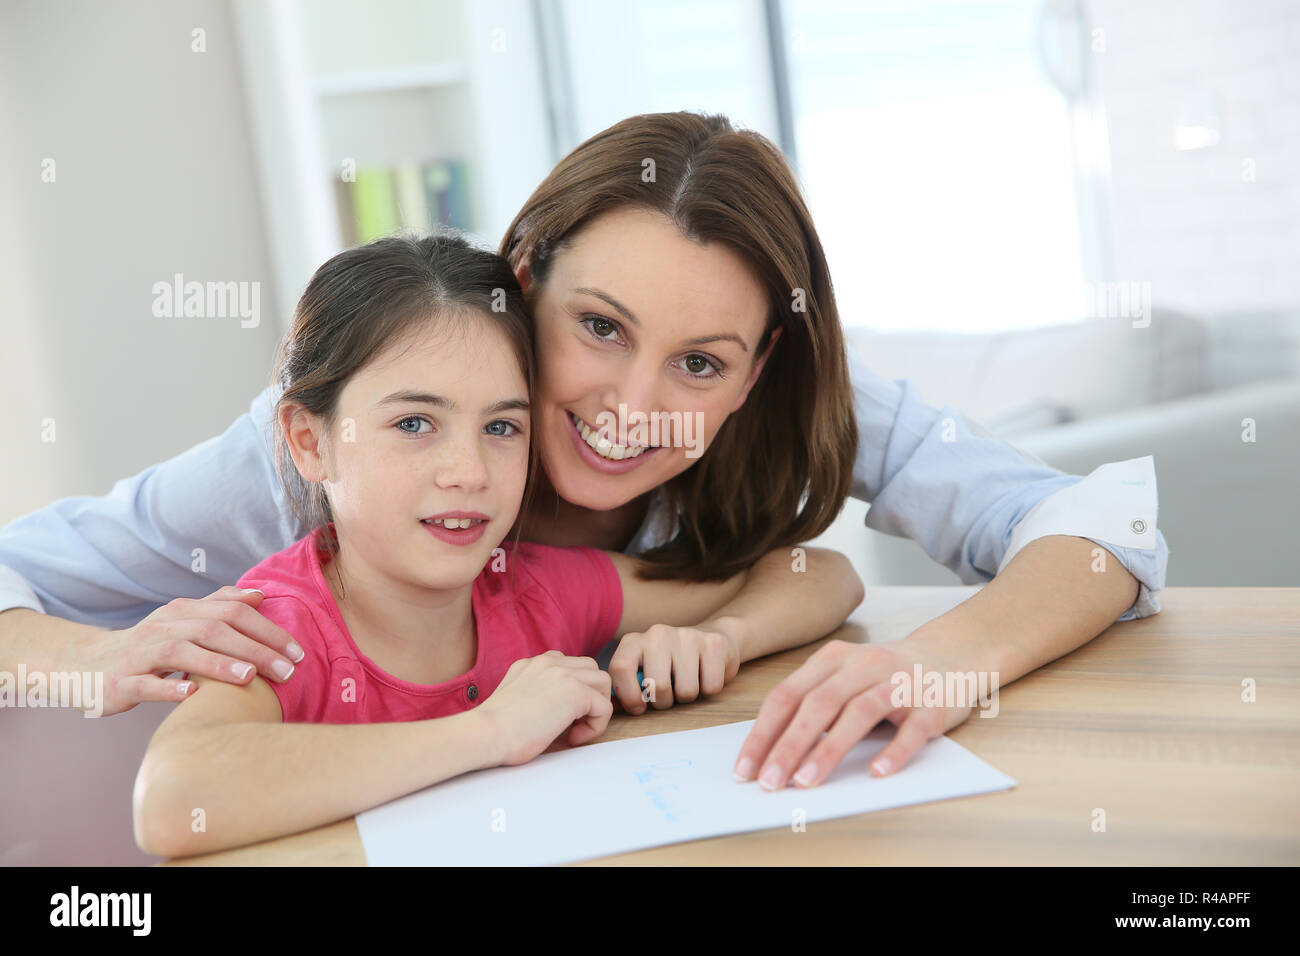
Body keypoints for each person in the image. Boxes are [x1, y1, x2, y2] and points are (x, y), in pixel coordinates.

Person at [0, 112, 1167, 789]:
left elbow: (1100, 526)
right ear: (522, 283)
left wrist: (931, 664)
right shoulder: (313, 455)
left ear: (755, 369)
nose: (635, 406)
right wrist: (87, 660)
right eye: (598, 328)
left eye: (700, 363)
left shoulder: (790, 396)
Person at [132, 233, 862, 857]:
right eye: (415, 423)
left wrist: (724, 638)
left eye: (503, 427)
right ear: (309, 441)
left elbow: (821, 575)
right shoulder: (276, 627)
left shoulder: (536, 588)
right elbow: (172, 798)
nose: (468, 473)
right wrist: (487, 731)